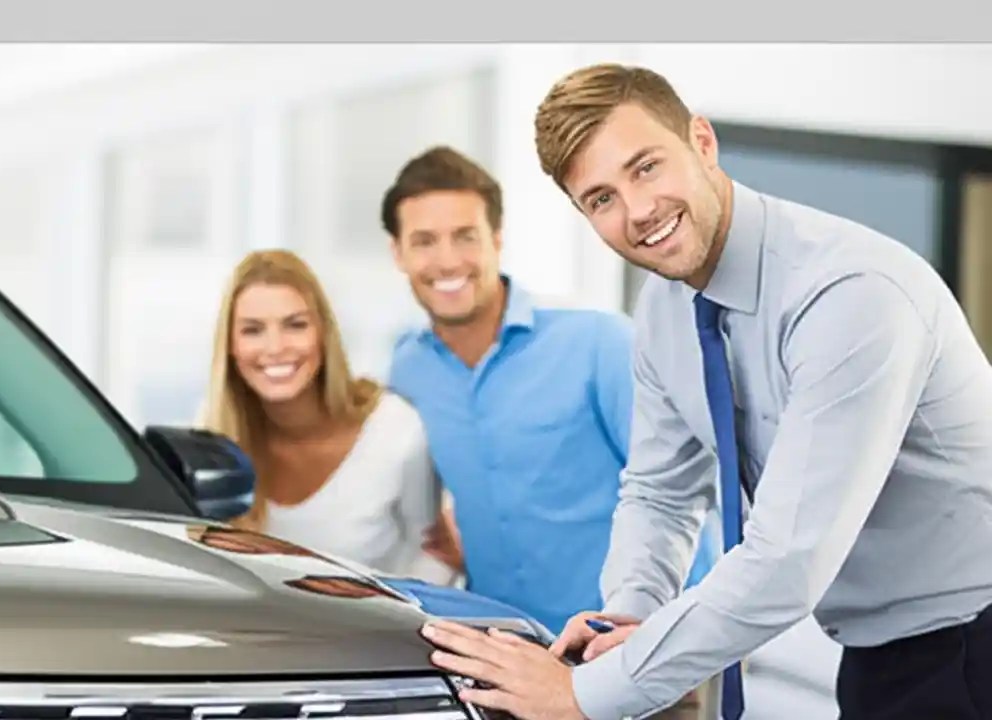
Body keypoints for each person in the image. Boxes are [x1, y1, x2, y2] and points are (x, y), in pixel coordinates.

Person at [421, 62, 992, 720]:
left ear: (701, 142)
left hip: (973, 638)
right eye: (600, 198)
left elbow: (785, 562)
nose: (637, 210)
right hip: (878, 652)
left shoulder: (850, 295)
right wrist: (624, 620)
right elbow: (660, 493)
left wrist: (582, 697)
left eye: (646, 167)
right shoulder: (666, 311)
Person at [382, 146, 717, 717]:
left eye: (465, 235)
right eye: (424, 240)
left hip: (639, 660)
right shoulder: (407, 368)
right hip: (512, 669)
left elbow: (684, 496)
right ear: (398, 252)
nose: (447, 260)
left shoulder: (598, 345)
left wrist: (674, 642)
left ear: (498, 238)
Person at [202, 249, 454, 586]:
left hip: (382, 632)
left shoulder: (395, 431)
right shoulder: (214, 441)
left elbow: (436, 557)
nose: (275, 347)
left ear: (323, 334)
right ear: (231, 346)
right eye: (253, 330)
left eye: (295, 325)